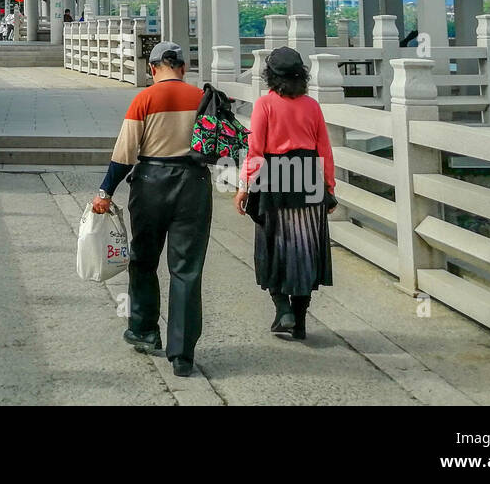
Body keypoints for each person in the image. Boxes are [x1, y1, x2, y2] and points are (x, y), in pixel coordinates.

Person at [92, 42, 208, 377]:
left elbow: (124, 153)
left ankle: (144, 331)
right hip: (194, 184)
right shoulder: (200, 97)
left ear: (153, 68)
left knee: (143, 260)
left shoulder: (144, 98)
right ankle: (183, 354)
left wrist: (105, 191)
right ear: (183, 68)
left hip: (151, 182)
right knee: (187, 269)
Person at [233, 46, 338, 341]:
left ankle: (283, 310)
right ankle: (300, 320)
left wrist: (243, 187)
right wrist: (329, 187)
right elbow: (324, 150)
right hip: (307, 175)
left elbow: (255, 151)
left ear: (271, 76)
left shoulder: (265, 105)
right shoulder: (312, 106)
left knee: (273, 246)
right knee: (306, 248)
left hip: (274, 175)